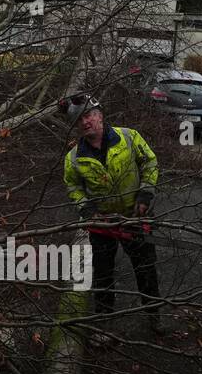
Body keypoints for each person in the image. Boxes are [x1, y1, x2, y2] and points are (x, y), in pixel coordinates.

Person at [58, 93, 166, 336]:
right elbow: (73, 187)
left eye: (88, 116)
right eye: (80, 120)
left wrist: (146, 195)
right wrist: (87, 210)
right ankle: (105, 320)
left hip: (135, 216)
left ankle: (154, 314)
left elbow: (149, 162)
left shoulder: (129, 137)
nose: (85, 122)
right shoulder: (73, 158)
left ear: (99, 115)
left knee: (145, 269)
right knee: (103, 274)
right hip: (102, 223)